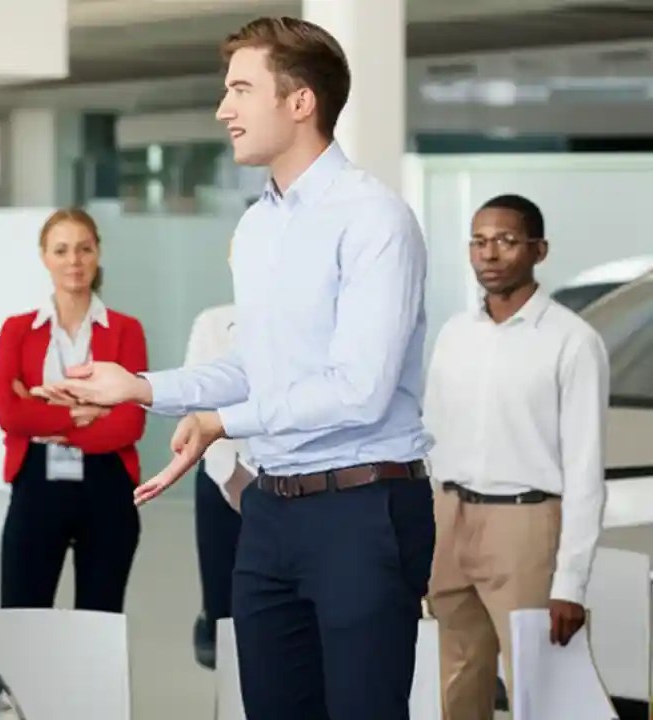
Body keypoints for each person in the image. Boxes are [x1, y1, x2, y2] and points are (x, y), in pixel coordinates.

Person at [33, 16, 435, 720]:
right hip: (273, 510)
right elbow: (256, 364)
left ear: (300, 101)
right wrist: (142, 387)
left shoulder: (374, 219)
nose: (224, 109)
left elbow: (360, 391)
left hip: (363, 509)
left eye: (241, 90)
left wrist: (223, 423)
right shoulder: (258, 227)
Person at [424, 194, 608, 720]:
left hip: (525, 525)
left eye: (505, 241)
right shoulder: (455, 334)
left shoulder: (573, 342)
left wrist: (570, 582)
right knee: (454, 687)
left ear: (538, 250)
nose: (489, 254)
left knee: (539, 690)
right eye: (479, 242)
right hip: (449, 519)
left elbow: (585, 468)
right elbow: (430, 440)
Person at [0, 208, 148, 613]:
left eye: (84, 249)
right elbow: (11, 414)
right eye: (61, 250)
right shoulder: (18, 329)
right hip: (36, 483)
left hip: (108, 485)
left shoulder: (126, 330)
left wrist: (46, 414)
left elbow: (129, 423)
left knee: (100, 621)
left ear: (97, 253)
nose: (73, 261)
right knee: (22, 616)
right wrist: (86, 412)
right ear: (44, 256)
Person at [183, 303, 251, 669]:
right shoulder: (212, 322)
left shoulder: (310, 318)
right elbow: (197, 404)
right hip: (222, 474)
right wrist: (231, 475)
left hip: (292, 486)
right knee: (223, 619)